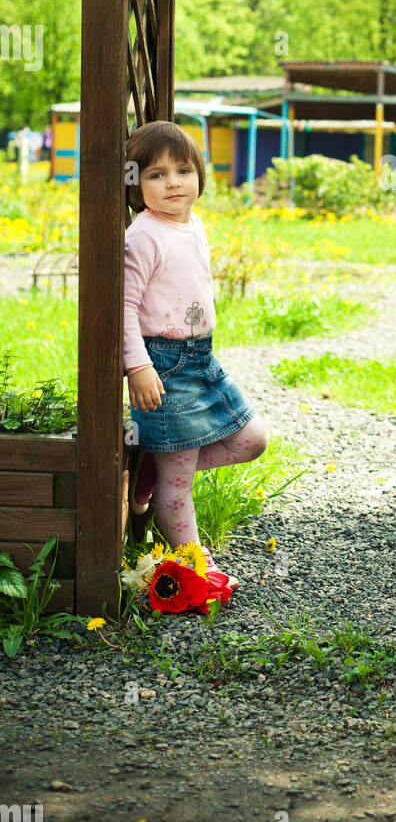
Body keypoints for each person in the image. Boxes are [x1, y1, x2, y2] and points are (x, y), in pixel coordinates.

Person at [124, 120, 269, 590]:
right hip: (164, 366)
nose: (173, 183)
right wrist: (138, 367)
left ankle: (152, 469)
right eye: (156, 175)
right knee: (179, 483)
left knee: (251, 439)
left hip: (203, 360)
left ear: (199, 176)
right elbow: (122, 307)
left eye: (183, 171)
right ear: (134, 183)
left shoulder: (192, 224)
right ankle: (192, 567)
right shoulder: (143, 236)